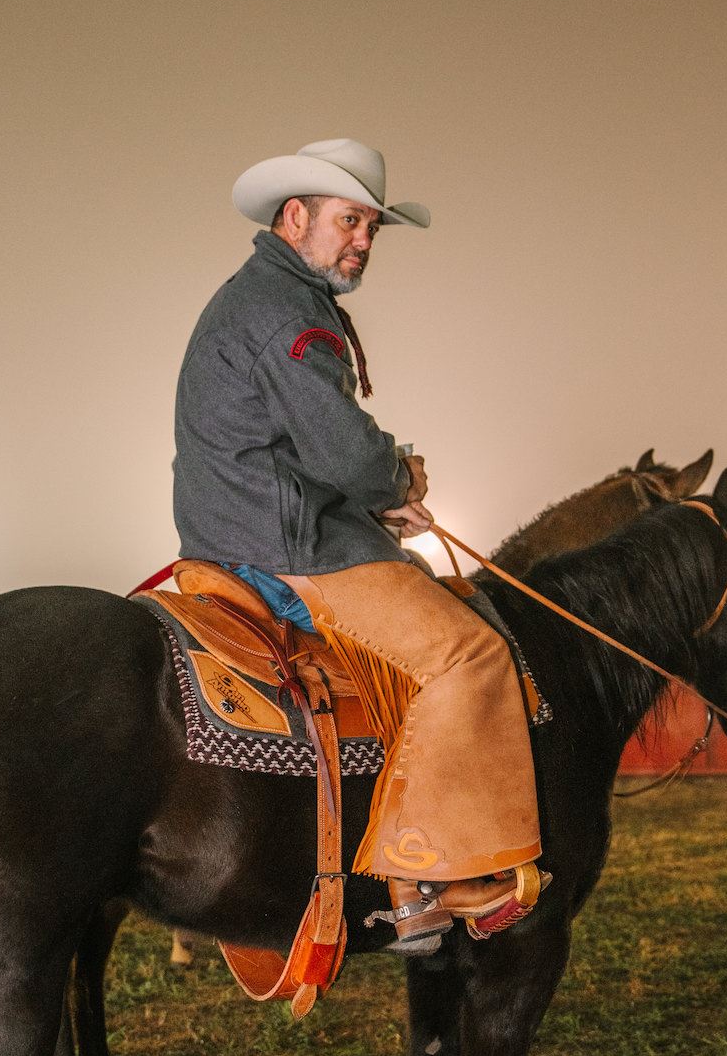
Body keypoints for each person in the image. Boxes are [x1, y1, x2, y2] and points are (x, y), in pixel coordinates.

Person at [172, 138, 544, 954]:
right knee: (469, 656)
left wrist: (380, 504)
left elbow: (295, 444)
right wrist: (396, 476)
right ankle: (431, 875)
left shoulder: (264, 297)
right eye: (349, 222)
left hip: (255, 520)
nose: (363, 243)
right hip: (290, 542)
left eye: (371, 227)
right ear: (295, 216)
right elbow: (340, 451)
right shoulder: (285, 314)